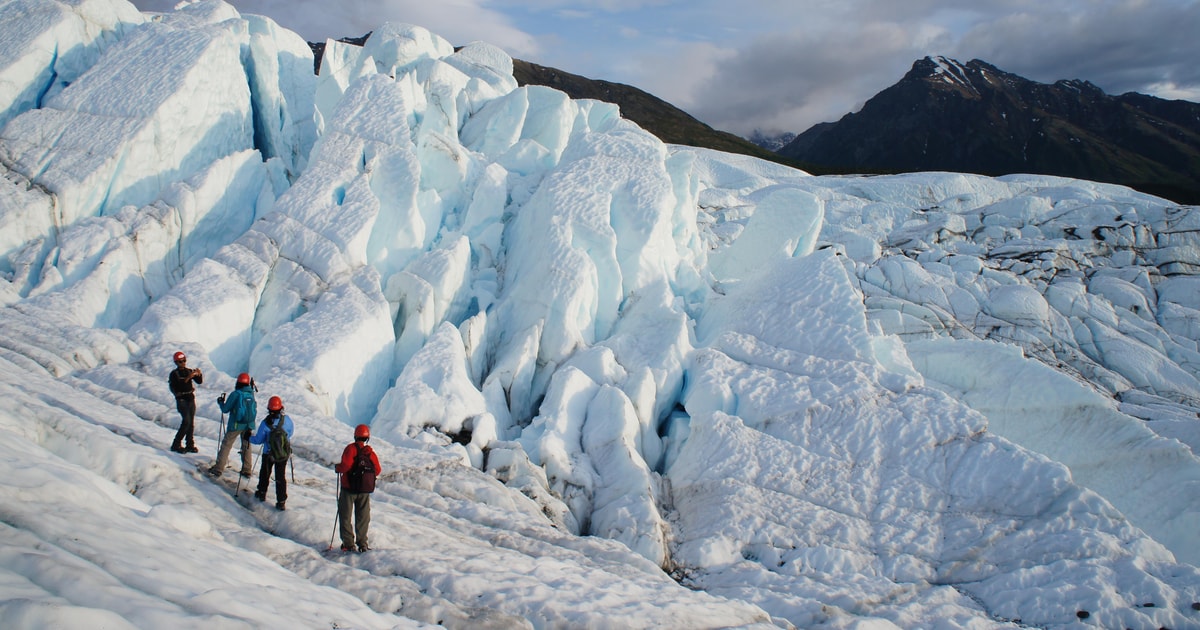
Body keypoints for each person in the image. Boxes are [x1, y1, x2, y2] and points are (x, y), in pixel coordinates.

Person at [335, 424, 381, 552]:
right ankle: (362, 543)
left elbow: (345, 466)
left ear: (355, 436)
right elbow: (377, 470)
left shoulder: (351, 449)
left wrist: (338, 468)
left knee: (345, 516)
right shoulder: (370, 453)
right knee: (363, 517)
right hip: (364, 490)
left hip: (348, 489)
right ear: (367, 438)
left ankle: (348, 544)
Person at [209, 373, 256, 478]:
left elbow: (225, 409)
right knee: (247, 446)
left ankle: (218, 468)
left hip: (236, 424)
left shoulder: (236, 394)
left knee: (226, 445)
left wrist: (220, 402)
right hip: (249, 425)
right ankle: (247, 470)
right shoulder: (251, 393)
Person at [250, 396, 294, 510]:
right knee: (280, 476)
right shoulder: (287, 420)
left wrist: (248, 437)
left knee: (265, 473)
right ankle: (281, 501)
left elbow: (258, 440)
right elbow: (290, 433)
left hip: (268, 453)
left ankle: (261, 492)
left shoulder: (265, 423)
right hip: (282, 454)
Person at [168, 351, 203, 453]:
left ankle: (189, 444)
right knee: (186, 421)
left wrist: (199, 374)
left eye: (184, 360)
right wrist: (188, 377)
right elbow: (179, 386)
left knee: (190, 422)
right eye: (180, 361)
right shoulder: (174, 374)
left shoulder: (188, 371)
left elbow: (199, 381)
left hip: (190, 398)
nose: (183, 363)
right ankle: (176, 444)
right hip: (182, 400)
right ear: (176, 362)